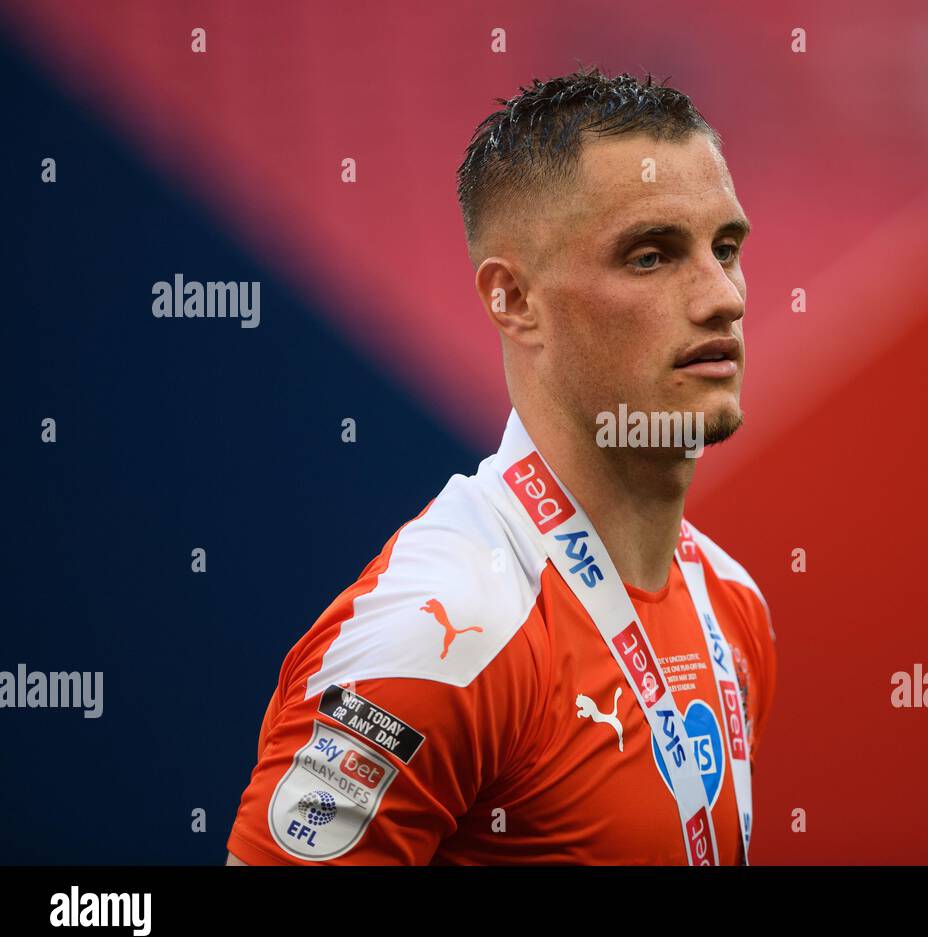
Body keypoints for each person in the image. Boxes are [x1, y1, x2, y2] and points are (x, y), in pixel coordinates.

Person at [225, 66, 776, 865]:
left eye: (726, 247)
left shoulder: (733, 604)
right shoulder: (444, 632)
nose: (722, 295)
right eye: (652, 256)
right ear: (514, 301)